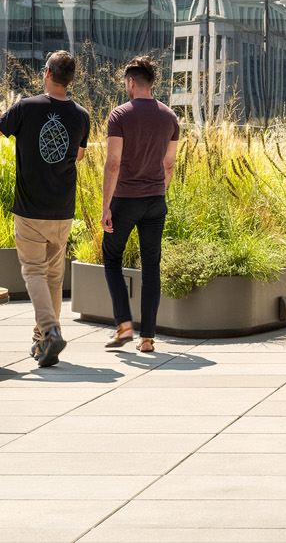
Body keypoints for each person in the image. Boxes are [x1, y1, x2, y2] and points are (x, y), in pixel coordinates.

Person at [0, 50, 90, 368]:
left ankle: (51, 330)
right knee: (54, 277)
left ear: (46, 72)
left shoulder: (26, 107)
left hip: (30, 209)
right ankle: (42, 341)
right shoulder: (81, 115)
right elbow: (79, 156)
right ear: (70, 79)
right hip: (63, 209)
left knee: (34, 272)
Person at [100, 55, 181, 354]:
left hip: (125, 200)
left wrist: (106, 206)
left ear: (131, 83)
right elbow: (169, 164)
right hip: (155, 202)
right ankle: (147, 338)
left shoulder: (119, 115)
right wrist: (159, 191)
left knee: (111, 260)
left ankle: (124, 327)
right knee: (151, 268)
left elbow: (113, 164)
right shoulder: (170, 117)